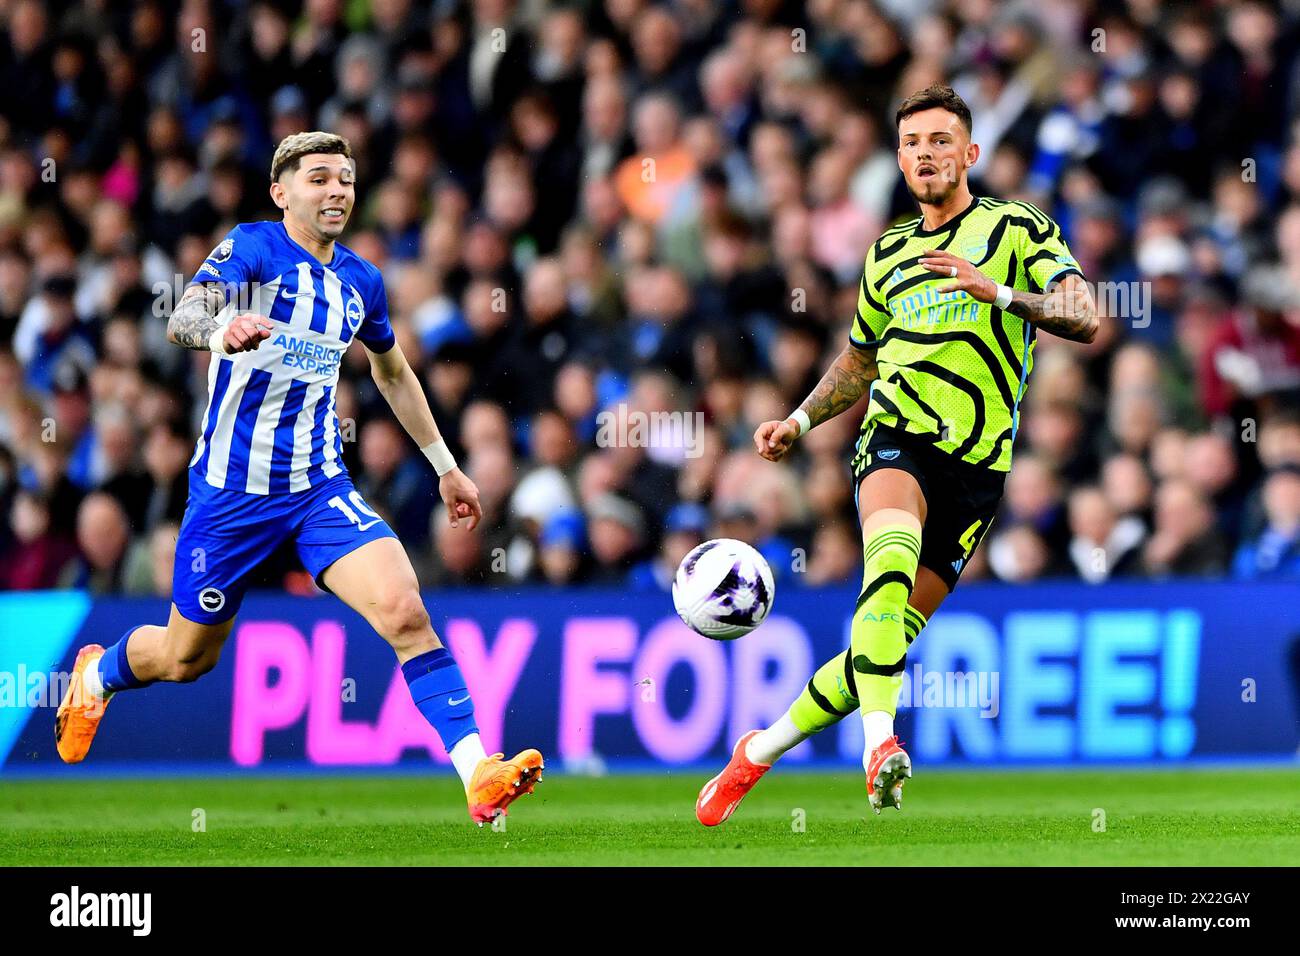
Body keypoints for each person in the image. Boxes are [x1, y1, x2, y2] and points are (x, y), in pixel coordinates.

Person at [54, 132, 543, 825]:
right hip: (229, 497)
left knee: (405, 611)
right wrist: (221, 331)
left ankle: (477, 773)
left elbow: (392, 370)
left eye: (345, 179)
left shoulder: (361, 281)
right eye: (319, 179)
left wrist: (446, 467)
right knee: (186, 658)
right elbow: (185, 316)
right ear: (282, 193)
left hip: (318, 490)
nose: (337, 190)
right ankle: (97, 674)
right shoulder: (253, 249)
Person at [696, 85, 1098, 824]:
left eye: (941, 141)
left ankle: (758, 750)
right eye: (913, 144)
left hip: (979, 473)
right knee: (885, 570)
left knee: (876, 648)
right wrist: (797, 419)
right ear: (900, 160)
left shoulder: (1018, 228)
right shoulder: (887, 254)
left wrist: (1001, 294)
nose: (926, 155)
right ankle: (879, 747)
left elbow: (1086, 315)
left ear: (970, 153)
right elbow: (857, 363)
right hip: (896, 436)